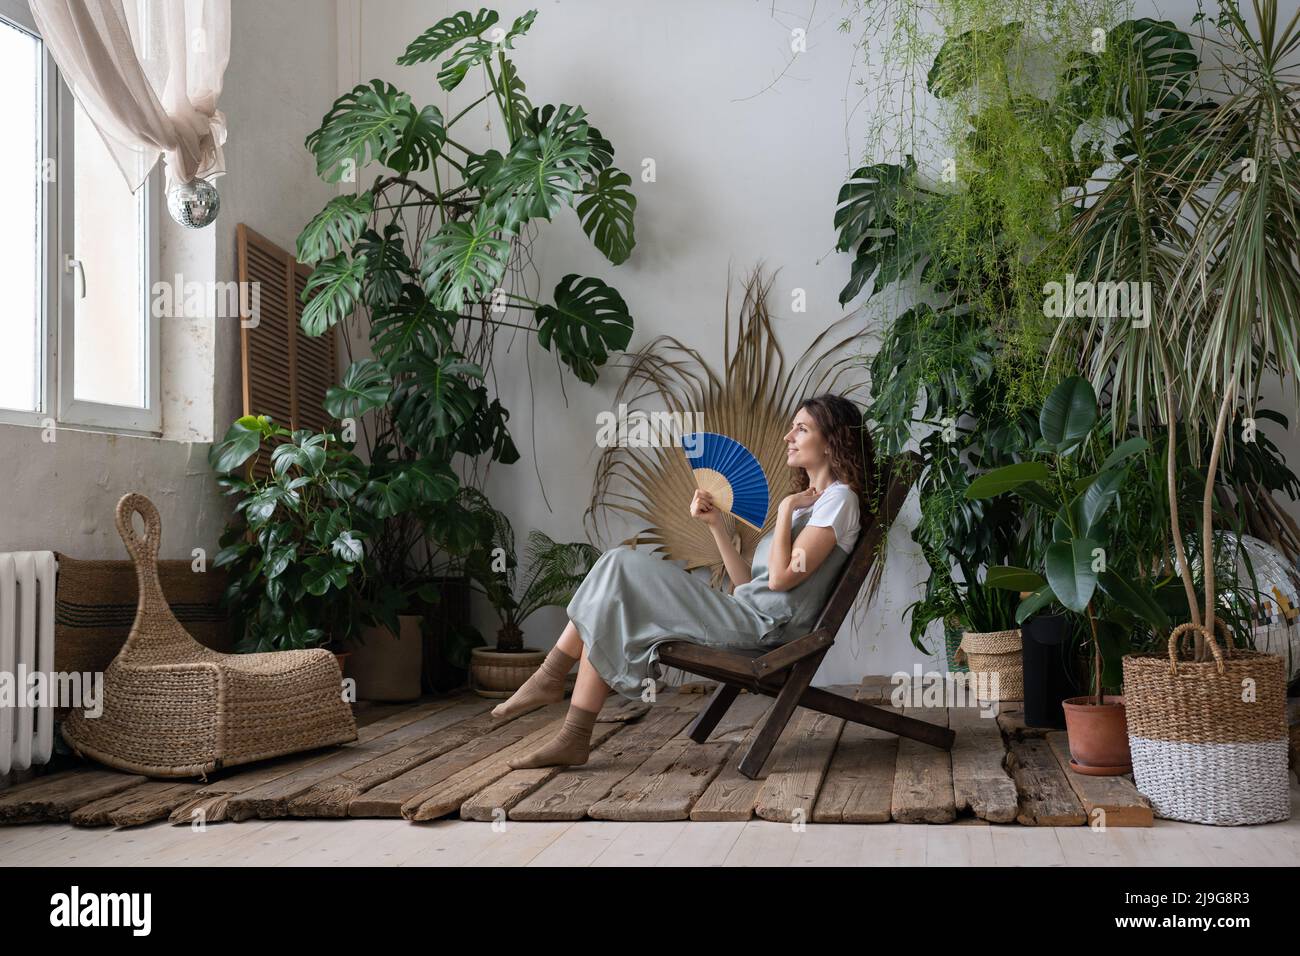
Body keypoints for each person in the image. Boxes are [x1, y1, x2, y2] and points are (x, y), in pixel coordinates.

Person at [491, 393, 873, 769]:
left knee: (619, 564)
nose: (788, 437)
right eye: (791, 428)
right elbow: (747, 585)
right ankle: (571, 732)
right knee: (612, 592)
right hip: (747, 613)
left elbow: (780, 580)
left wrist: (786, 508)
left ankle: (552, 679)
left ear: (831, 442)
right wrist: (717, 527)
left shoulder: (838, 502)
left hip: (767, 631)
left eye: (801, 429)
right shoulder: (815, 502)